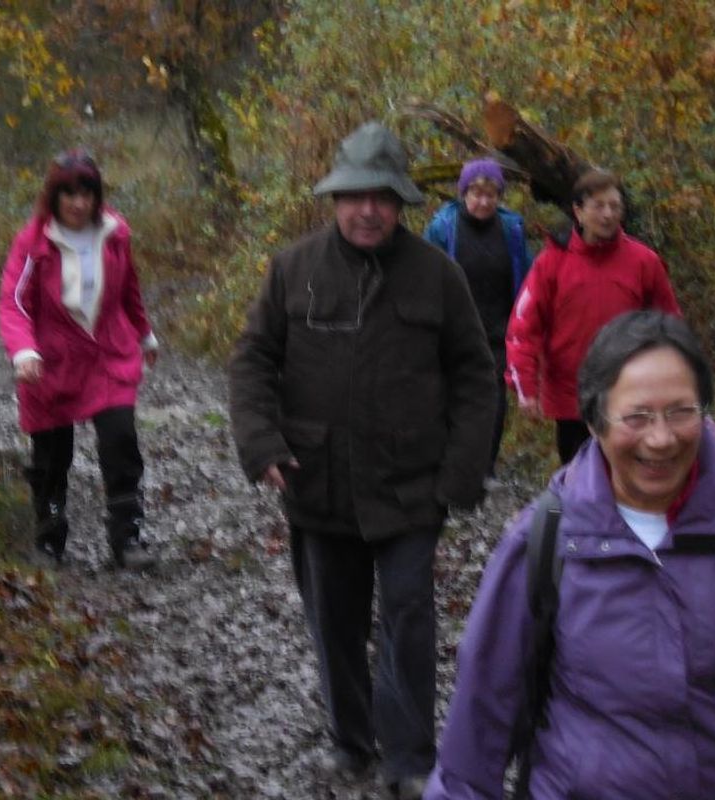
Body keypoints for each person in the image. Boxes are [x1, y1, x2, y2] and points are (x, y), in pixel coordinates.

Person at [426, 311, 715, 799]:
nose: (661, 438)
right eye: (637, 416)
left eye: (680, 411)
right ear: (594, 421)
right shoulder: (545, 540)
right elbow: (480, 719)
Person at [228, 121, 496, 800]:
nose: (367, 209)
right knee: (333, 621)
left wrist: (463, 471)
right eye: (354, 196)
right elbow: (254, 361)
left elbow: (474, 374)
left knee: (408, 616)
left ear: (401, 202)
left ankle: (408, 754)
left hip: (411, 488)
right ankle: (350, 737)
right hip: (317, 484)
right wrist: (261, 444)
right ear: (334, 199)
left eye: (381, 196)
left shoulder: (439, 274)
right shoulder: (293, 268)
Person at [0, 148, 159, 569]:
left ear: (96, 195)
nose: (78, 203)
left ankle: (129, 537)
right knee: (51, 455)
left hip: (107, 352)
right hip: (51, 361)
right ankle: (49, 538)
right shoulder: (33, 243)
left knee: (121, 438)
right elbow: (13, 302)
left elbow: (128, 290)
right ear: (53, 197)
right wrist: (23, 350)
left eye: (86, 192)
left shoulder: (115, 233)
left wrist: (144, 333)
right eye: (68, 193)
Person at [506, 168, 682, 464]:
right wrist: (525, 386)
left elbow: (668, 323)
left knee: (628, 476)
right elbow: (524, 328)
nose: (608, 214)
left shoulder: (644, 262)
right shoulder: (552, 263)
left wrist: (673, 377)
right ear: (579, 211)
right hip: (570, 397)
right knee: (580, 482)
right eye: (599, 206)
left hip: (630, 392)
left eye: (615, 206)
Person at [423, 158, 531, 486]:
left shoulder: (512, 229)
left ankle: (485, 467)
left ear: (499, 196)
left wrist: (522, 323)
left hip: (499, 327)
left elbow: (526, 278)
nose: (483, 201)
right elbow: (426, 276)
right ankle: (448, 460)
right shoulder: (444, 227)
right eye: (476, 193)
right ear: (463, 193)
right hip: (455, 328)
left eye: (490, 194)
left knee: (493, 399)